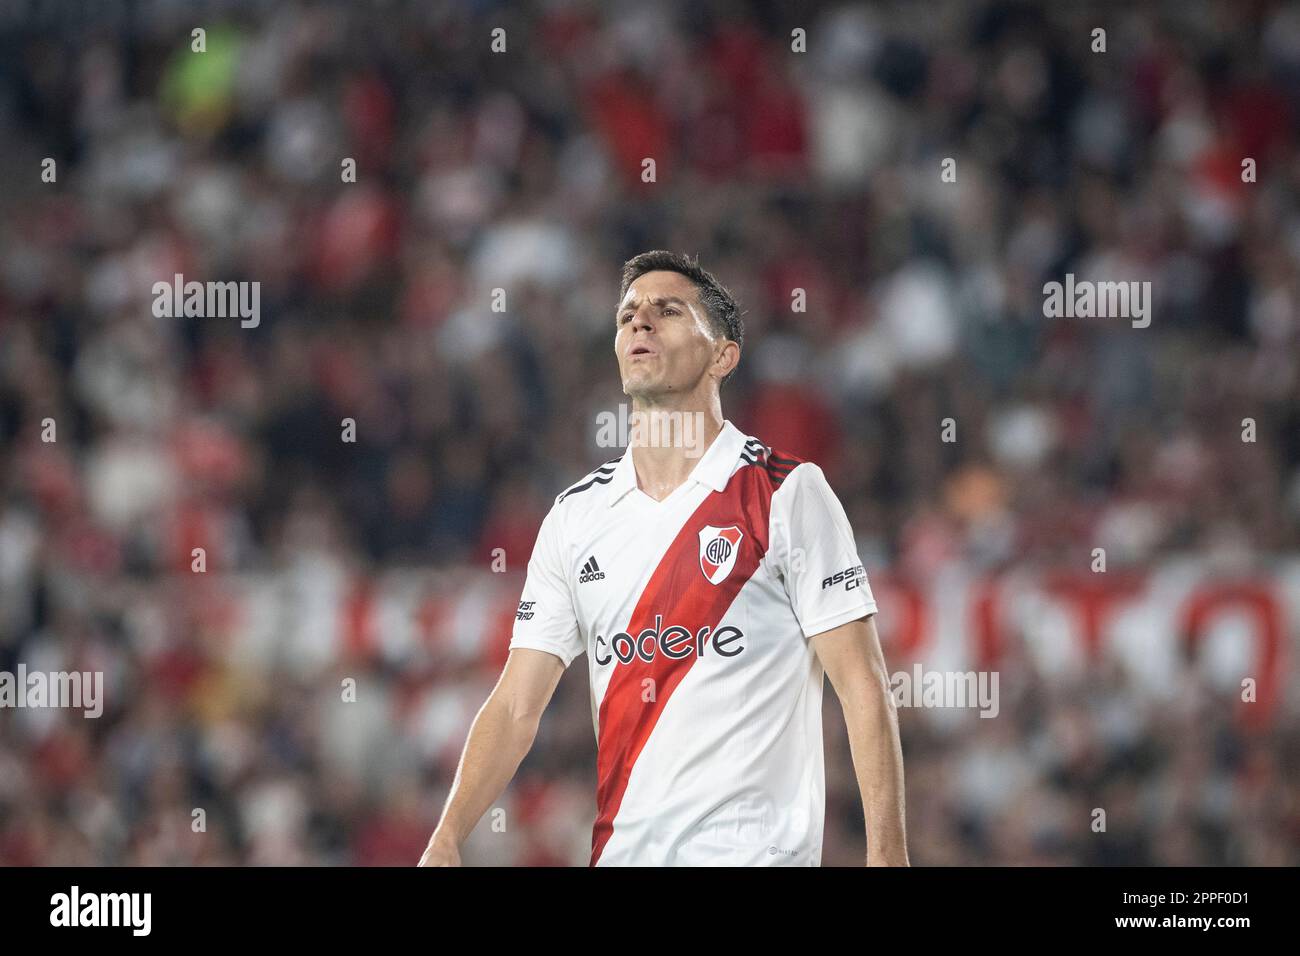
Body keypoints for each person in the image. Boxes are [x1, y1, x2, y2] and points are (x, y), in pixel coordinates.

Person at [420, 251, 908, 866]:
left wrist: (888, 856)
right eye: (628, 315)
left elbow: (862, 685)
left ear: (723, 355)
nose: (640, 323)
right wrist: (447, 836)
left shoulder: (785, 493)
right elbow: (517, 705)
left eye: (668, 310)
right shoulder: (576, 518)